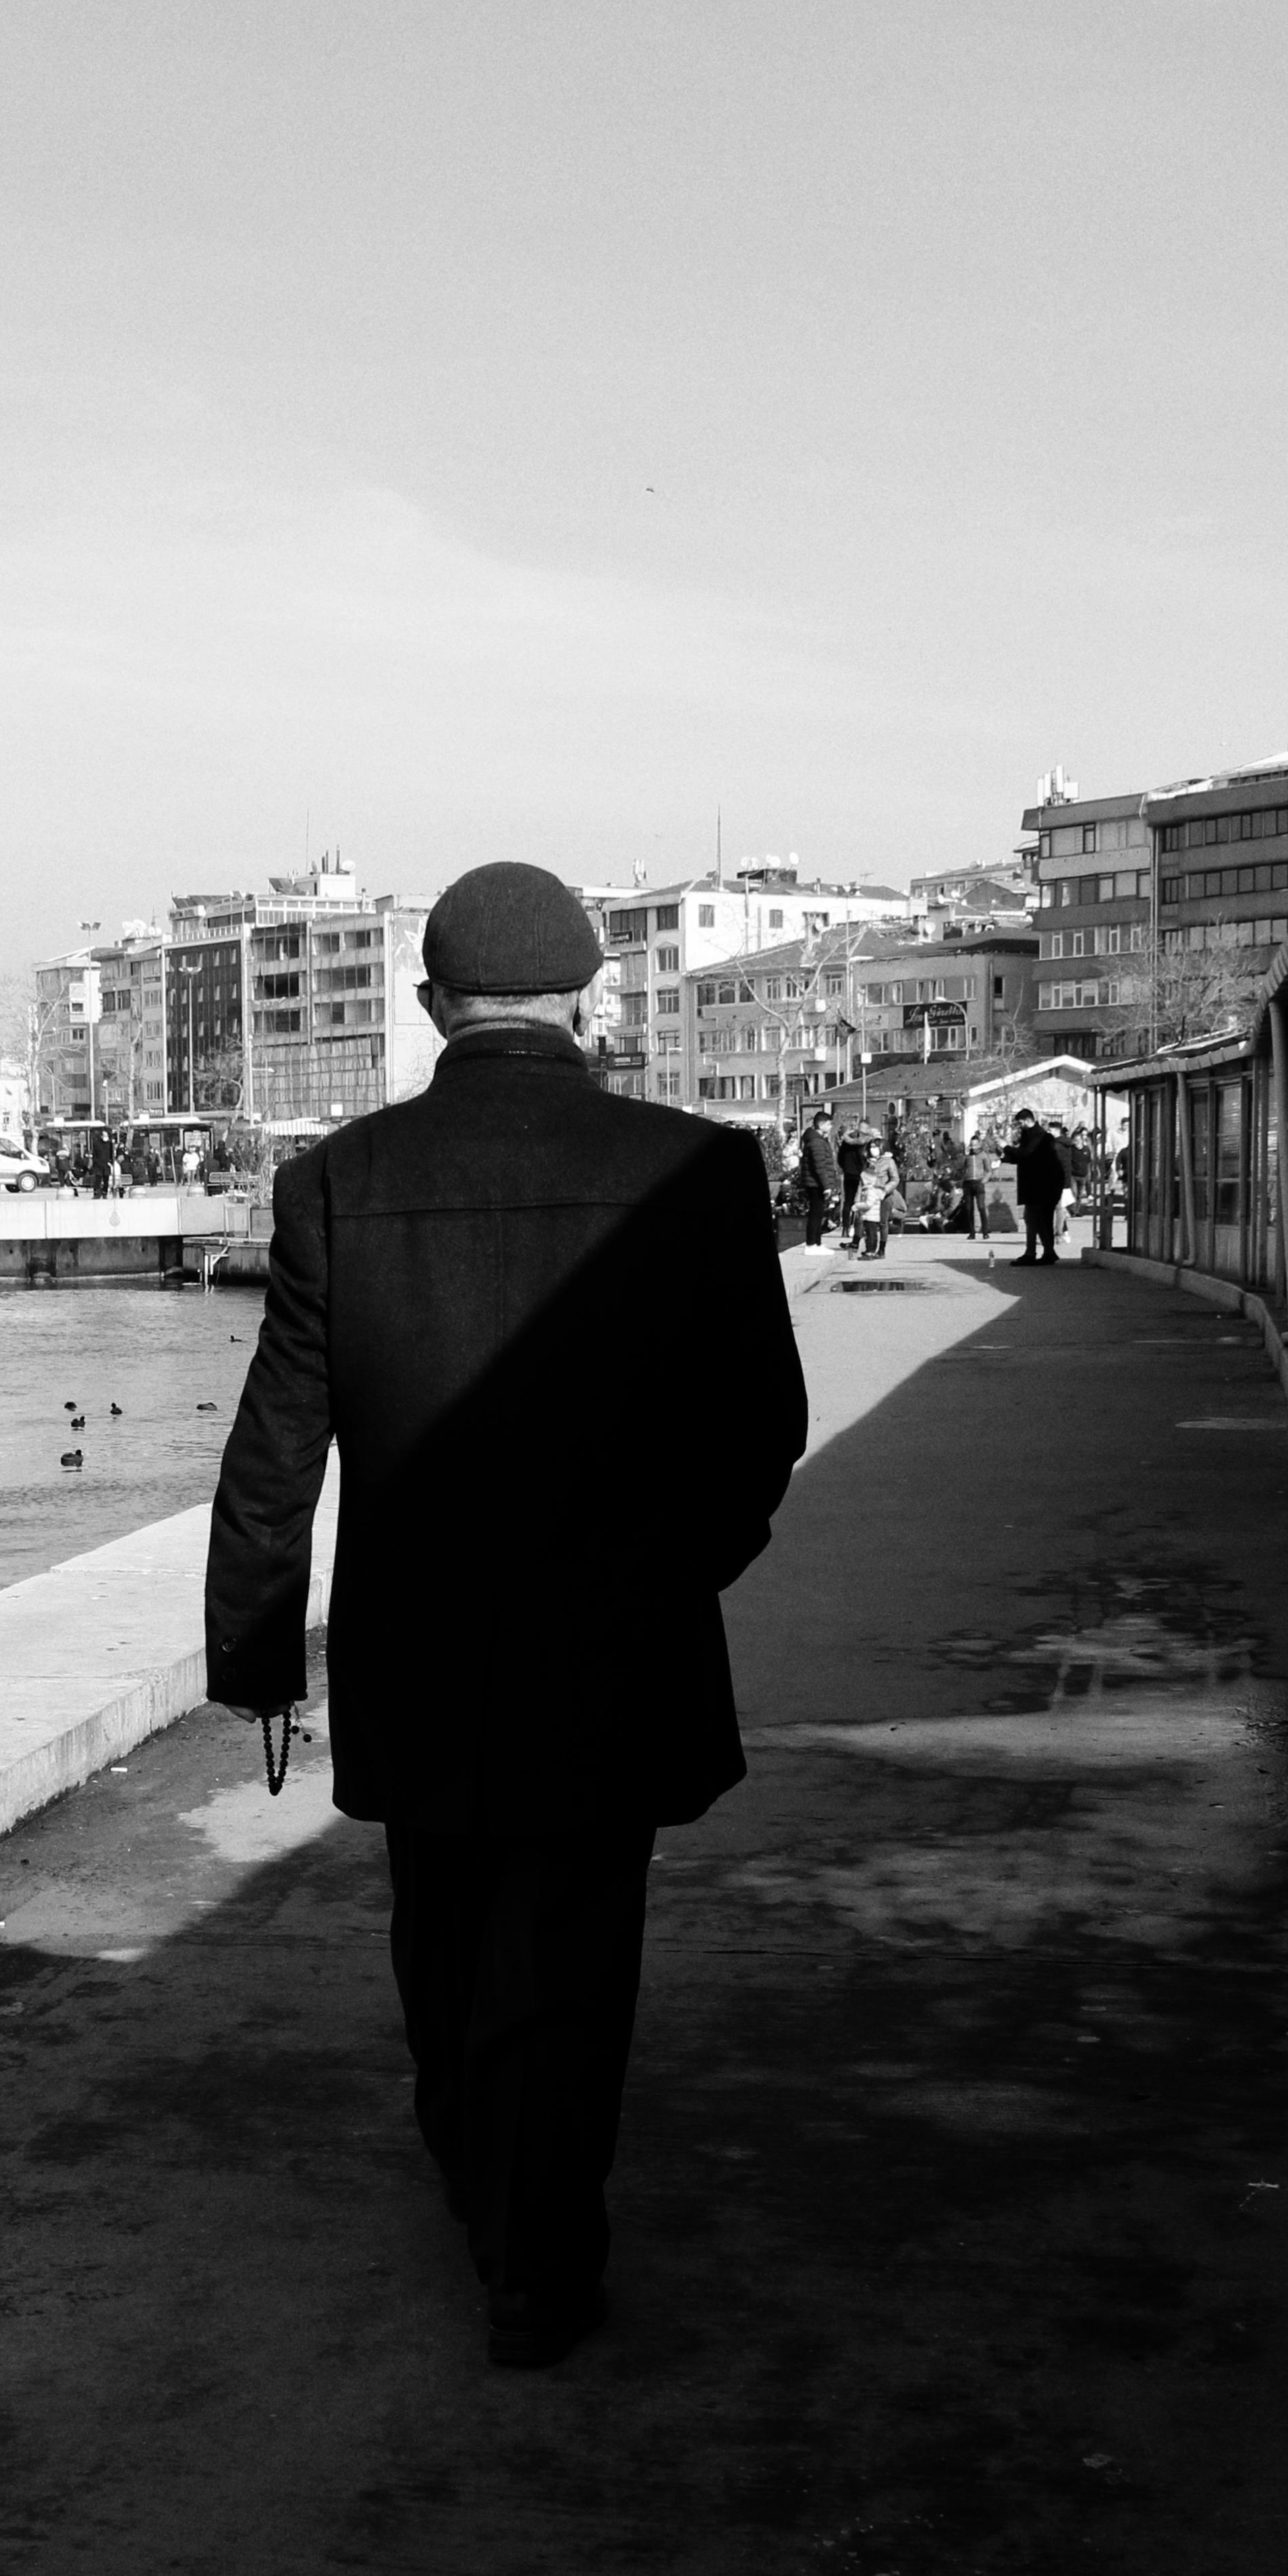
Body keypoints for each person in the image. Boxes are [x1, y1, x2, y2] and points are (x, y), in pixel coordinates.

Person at [204, 857, 808, 2371]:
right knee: (574, 1945)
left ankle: (480, 2171)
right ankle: (536, 2248)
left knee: (444, 1923)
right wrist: (674, 1572)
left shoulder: (334, 1184)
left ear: (430, 1007)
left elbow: (278, 1451)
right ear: (587, 999)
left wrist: (260, 1657)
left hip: (420, 1646)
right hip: (615, 1641)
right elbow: (759, 1428)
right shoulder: (697, 1170)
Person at [1012, 1108, 1069, 1267]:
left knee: (1037, 1219)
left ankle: (1034, 1253)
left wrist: (1008, 1148)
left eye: (1020, 1123)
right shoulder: (1031, 1135)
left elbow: (1027, 1154)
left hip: (1043, 1186)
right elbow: (1023, 1156)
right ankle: (1047, 1252)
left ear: (1027, 1120)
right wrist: (1006, 1153)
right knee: (1036, 1219)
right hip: (1036, 1185)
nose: (1019, 1126)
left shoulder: (1040, 1137)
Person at [799, 1104, 841, 1249]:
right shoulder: (817, 1142)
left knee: (819, 1213)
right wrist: (827, 1186)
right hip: (816, 1184)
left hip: (816, 1183)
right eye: (829, 1124)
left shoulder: (818, 1140)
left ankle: (817, 1243)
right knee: (816, 1214)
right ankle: (811, 1244)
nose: (830, 1127)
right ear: (821, 1125)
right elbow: (820, 1166)